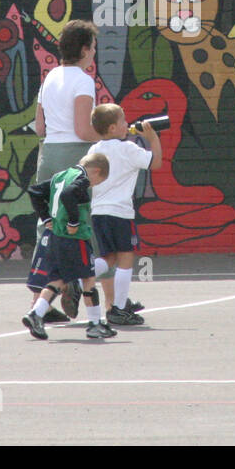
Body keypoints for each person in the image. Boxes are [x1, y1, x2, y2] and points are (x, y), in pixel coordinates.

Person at [27, 19, 100, 322]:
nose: (94, 53)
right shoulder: (83, 81)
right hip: (75, 157)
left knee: (47, 227)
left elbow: (40, 127)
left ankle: (38, 302)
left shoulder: (50, 77)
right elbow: (84, 130)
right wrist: (109, 136)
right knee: (79, 224)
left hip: (49, 155)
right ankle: (93, 299)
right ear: (84, 49)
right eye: (93, 48)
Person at [22, 152, 116, 340]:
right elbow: (68, 194)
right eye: (96, 182)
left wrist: (46, 217)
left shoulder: (60, 176)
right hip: (75, 238)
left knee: (58, 278)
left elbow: (35, 191)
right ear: (96, 171)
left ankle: (36, 313)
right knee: (89, 278)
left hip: (56, 237)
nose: (93, 185)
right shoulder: (81, 179)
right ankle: (95, 324)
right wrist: (73, 222)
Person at [89, 104, 161, 325]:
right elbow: (155, 163)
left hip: (99, 212)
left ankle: (80, 276)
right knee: (126, 256)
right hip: (120, 212)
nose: (127, 124)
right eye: (123, 121)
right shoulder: (127, 149)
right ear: (112, 128)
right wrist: (153, 138)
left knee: (109, 257)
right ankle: (119, 308)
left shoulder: (94, 150)